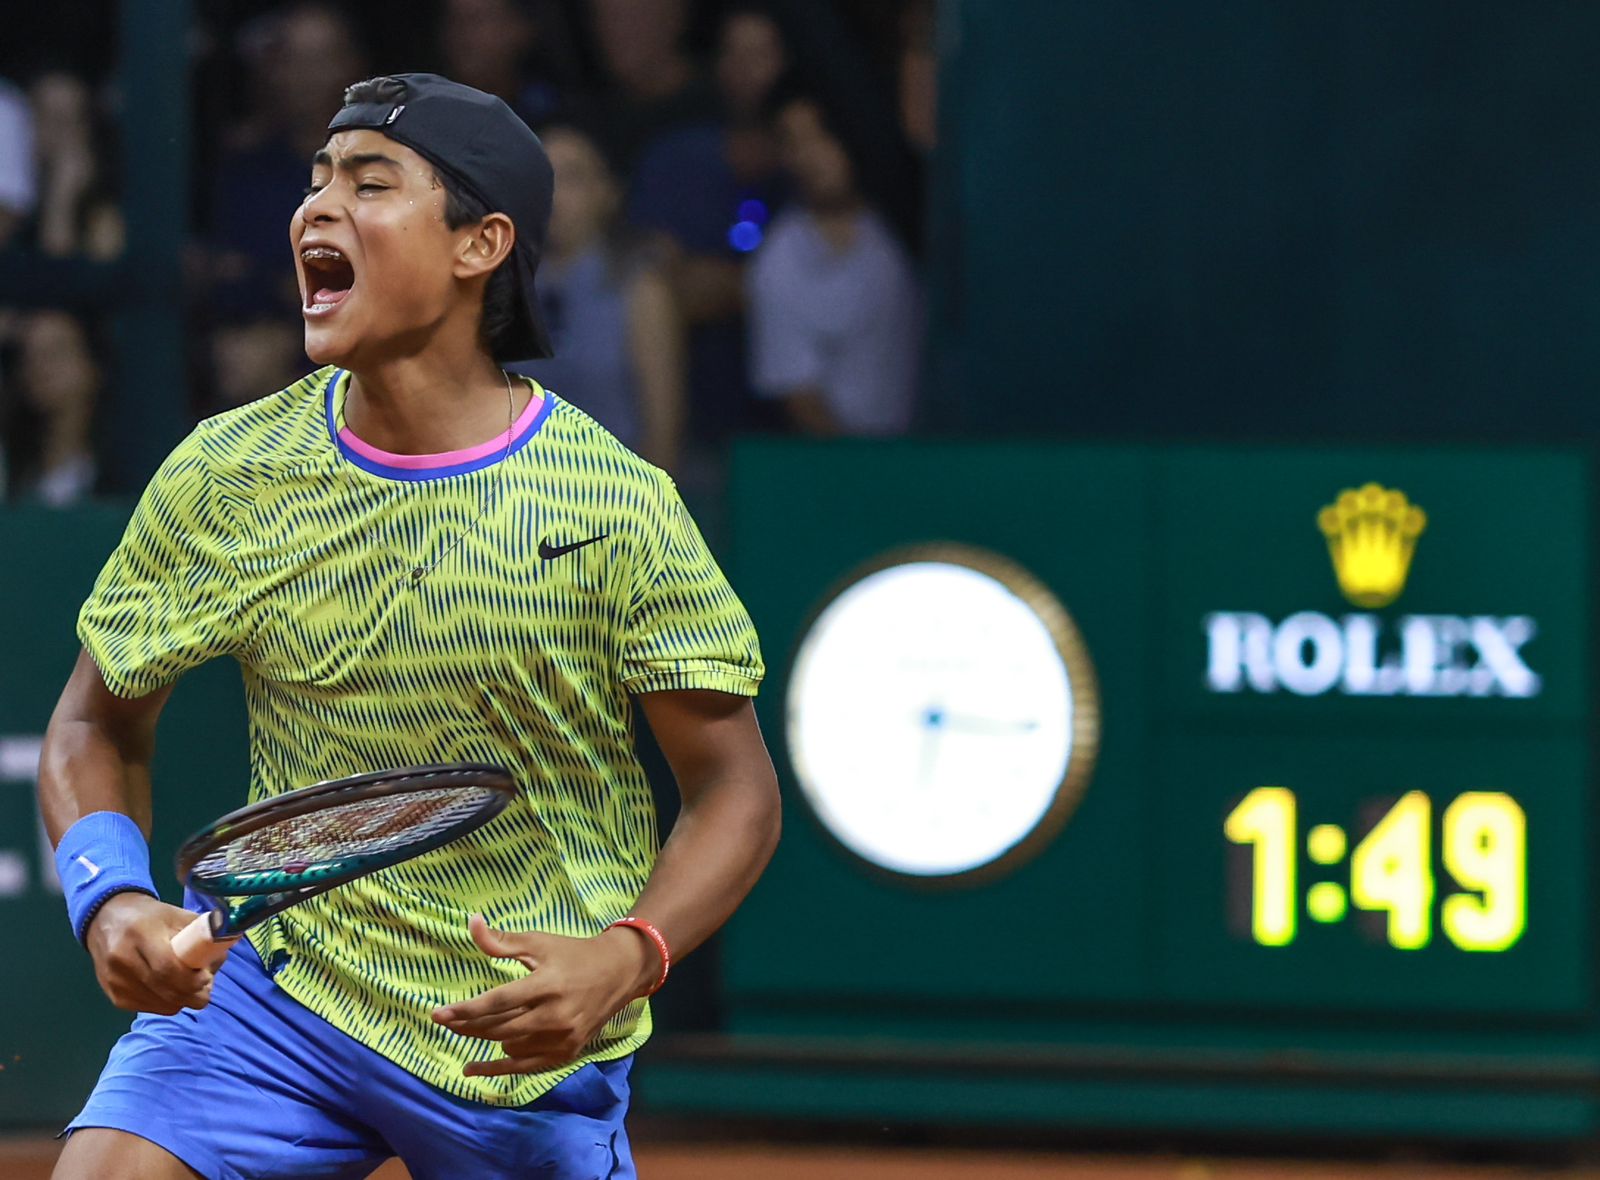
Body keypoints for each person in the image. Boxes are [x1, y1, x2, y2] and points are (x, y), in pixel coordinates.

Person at [43, 72, 781, 1180]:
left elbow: (734, 791)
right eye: (315, 180)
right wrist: (111, 895)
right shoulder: (231, 472)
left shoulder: (611, 503)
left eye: (369, 182)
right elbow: (92, 728)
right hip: (278, 995)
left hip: (512, 1039)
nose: (316, 208)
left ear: (479, 244)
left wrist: (625, 957)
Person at [747, 85, 922, 436]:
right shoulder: (778, 262)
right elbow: (800, 397)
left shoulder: (908, 219)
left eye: (820, 136)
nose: (809, 157)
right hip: (856, 466)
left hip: (943, 452)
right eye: (793, 142)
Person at [513, 121, 686, 471]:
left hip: (615, 502)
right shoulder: (500, 286)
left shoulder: (641, 289)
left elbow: (663, 431)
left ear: (607, 193)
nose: (552, 193)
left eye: (572, 177)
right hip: (514, 506)